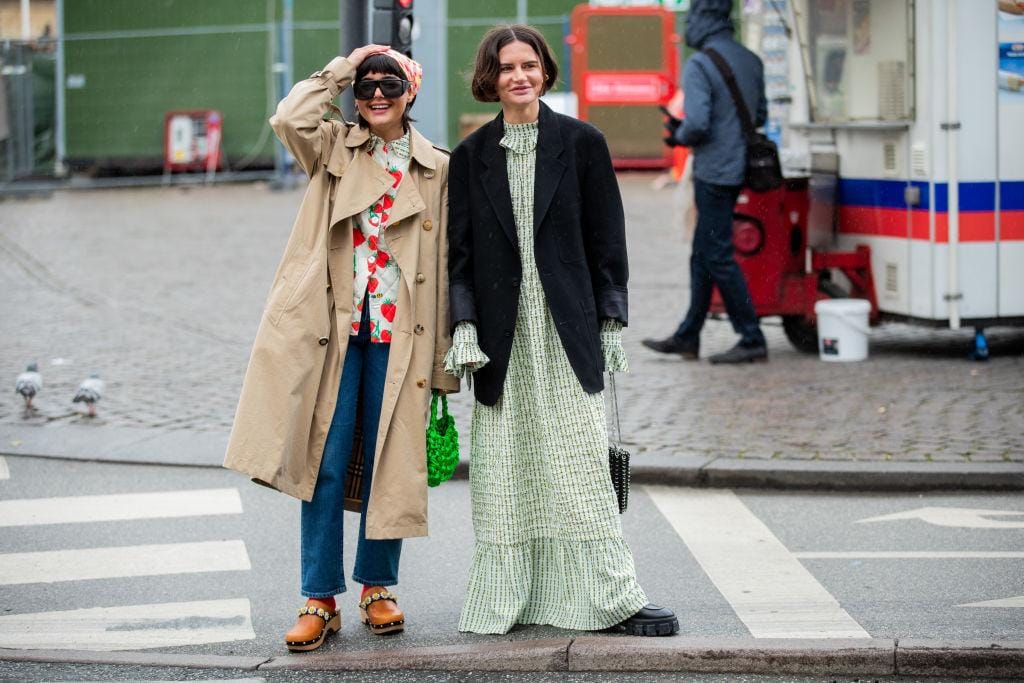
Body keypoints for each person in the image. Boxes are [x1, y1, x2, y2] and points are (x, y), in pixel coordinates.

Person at [223, 45, 459, 652]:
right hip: (332, 332)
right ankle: (318, 597)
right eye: (365, 86)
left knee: (392, 460)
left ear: (412, 93)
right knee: (323, 464)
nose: (376, 95)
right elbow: (288, 117)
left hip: (401, 335)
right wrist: (343, 65)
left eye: (389, 84)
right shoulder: (332, 145)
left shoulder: (437, 168)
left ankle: (378, 587)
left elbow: (445, 264)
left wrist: (444, 362)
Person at [445, 24, 678, 637]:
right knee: (508, 468)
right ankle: (512, 596)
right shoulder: (471, 157)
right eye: (506, 68)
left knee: (579, 464)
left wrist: (611, 320)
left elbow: (608, 239)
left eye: (529, 65)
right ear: (489, 80)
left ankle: (612, 597)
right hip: (500, 335)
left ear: (546, 71)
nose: (519, 76)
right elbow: (459, 255)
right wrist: (463, 325)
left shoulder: (582, 143)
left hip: (566, 328)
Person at [643, 0, 769, 364]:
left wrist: (678, 134)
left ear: (704, 20)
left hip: (713, 171)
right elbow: (759, 114)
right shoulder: (751, 60)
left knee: (717, 255)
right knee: (702, 254)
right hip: (741, 168)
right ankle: (688, 335)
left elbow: (697, 123)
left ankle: (752, 336)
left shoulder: (699, 64)